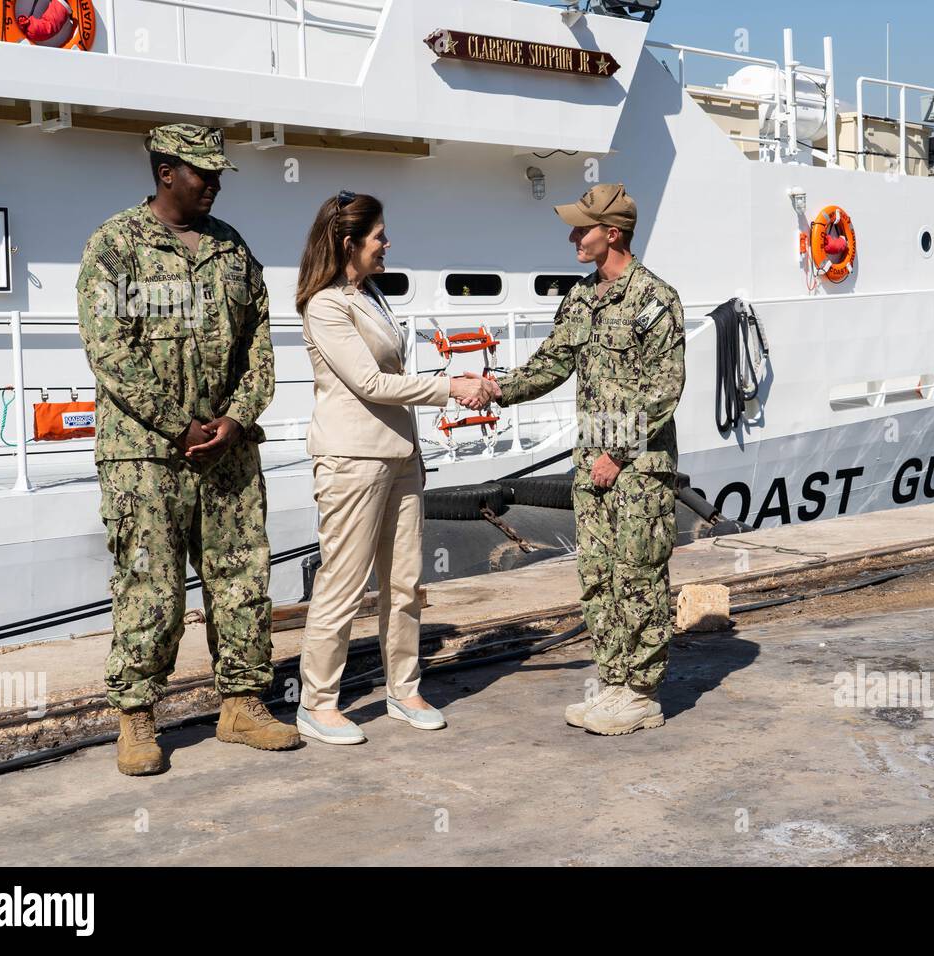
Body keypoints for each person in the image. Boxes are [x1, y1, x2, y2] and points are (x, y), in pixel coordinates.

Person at [76, 124, 299, 777]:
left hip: (228, 452)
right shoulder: (115, 247)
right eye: (203, 172)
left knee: (241, 578)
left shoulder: (232, 247)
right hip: (145, 455)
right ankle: (138, 714)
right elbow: (108, 351)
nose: (215, 183)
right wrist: (177, 424)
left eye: (218, 172)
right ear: (166, 171)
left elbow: (259, 342)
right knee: (152, 585)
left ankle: (242, 702)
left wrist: (235, 416)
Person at [294, 191, 494, 744]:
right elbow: (370, 383)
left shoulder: (372, 293)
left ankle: (403, 690)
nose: (387, 243)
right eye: (379, 235)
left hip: (401, 455)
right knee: (343, 582)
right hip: (353, 459)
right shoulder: (326, 304)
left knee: (404, 582)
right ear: (348, 242)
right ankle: (317, 703)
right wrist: (452, 386)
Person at [495, 183, 686, 735]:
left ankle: (644, 693)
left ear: (613, 233)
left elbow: (664, 388)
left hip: (637, 464)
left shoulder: (655, 300)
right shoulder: (582, 297)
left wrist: (617, 451)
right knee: (598, 574)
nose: (574, 235)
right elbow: (550, 363)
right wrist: (495, 390)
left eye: (583, 227)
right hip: (594, 461)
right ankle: (615, 682)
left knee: (639, 572)